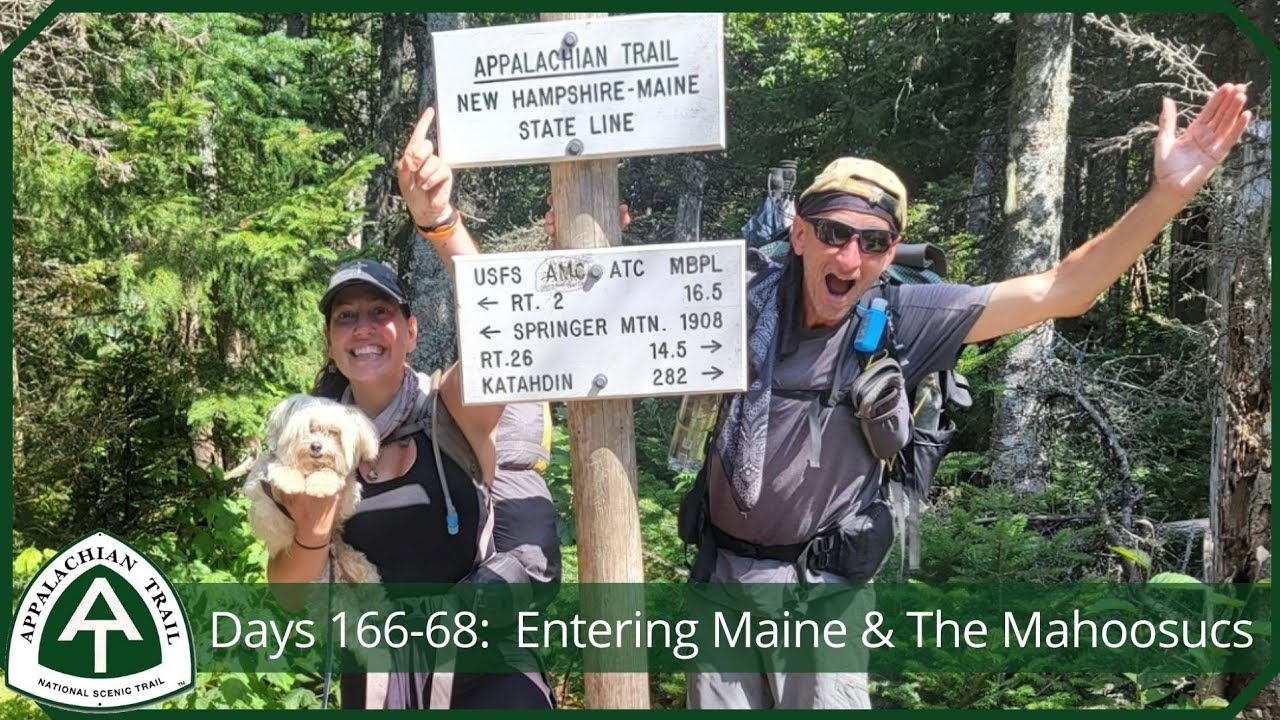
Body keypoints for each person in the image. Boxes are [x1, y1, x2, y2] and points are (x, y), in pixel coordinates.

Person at [669, 84, 1251, 709]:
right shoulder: (733, 300)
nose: (850, 255)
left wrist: (1168, 194)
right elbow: (617, 325)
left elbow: (1065, 288)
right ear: (800, 232)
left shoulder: (905, 314)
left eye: (873, 242)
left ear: (891, 250)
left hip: (824, 591)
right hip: (723, 581)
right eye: (833, 231)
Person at [267, 108, 559, 709]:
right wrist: (313, 536)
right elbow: (291, 597)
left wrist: (439, 223)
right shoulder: (311, 443)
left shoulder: (447, 410)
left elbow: (501, 326)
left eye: (380, 313)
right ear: (331, 341)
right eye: (346, 316)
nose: (364, 328)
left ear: (410, 330)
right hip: (379, 671)